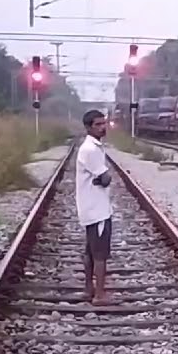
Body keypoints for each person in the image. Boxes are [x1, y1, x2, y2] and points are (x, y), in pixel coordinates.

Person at [76, 110, 114, 305]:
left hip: (91, 207)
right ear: (89, 127)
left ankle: (88, 289)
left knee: (90, 251)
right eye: (98, 124)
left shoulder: (92, 147)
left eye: (104, 123)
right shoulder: (91, 150)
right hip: (97, 209)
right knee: (100, 254)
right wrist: (104, 179)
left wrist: (101, 179)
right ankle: (99, 294)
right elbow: (105, 178)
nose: (103, 127)